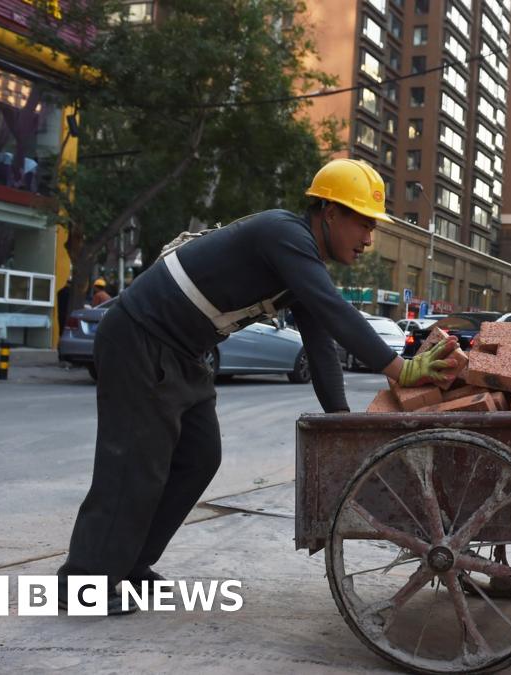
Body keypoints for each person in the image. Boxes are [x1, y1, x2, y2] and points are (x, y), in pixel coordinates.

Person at [57, 159, 458, 614]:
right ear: (328, 212)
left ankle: (128, 568)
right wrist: (400, 368)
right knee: (133, 465)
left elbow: (322, 343)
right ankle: (85, 583)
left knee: (198, 458)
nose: (369, 238)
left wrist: (342, 424)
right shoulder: (282, 234)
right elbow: (334, 308)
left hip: (184, 354)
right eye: (363, 223)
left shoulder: (300, 261)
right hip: (140, 339)